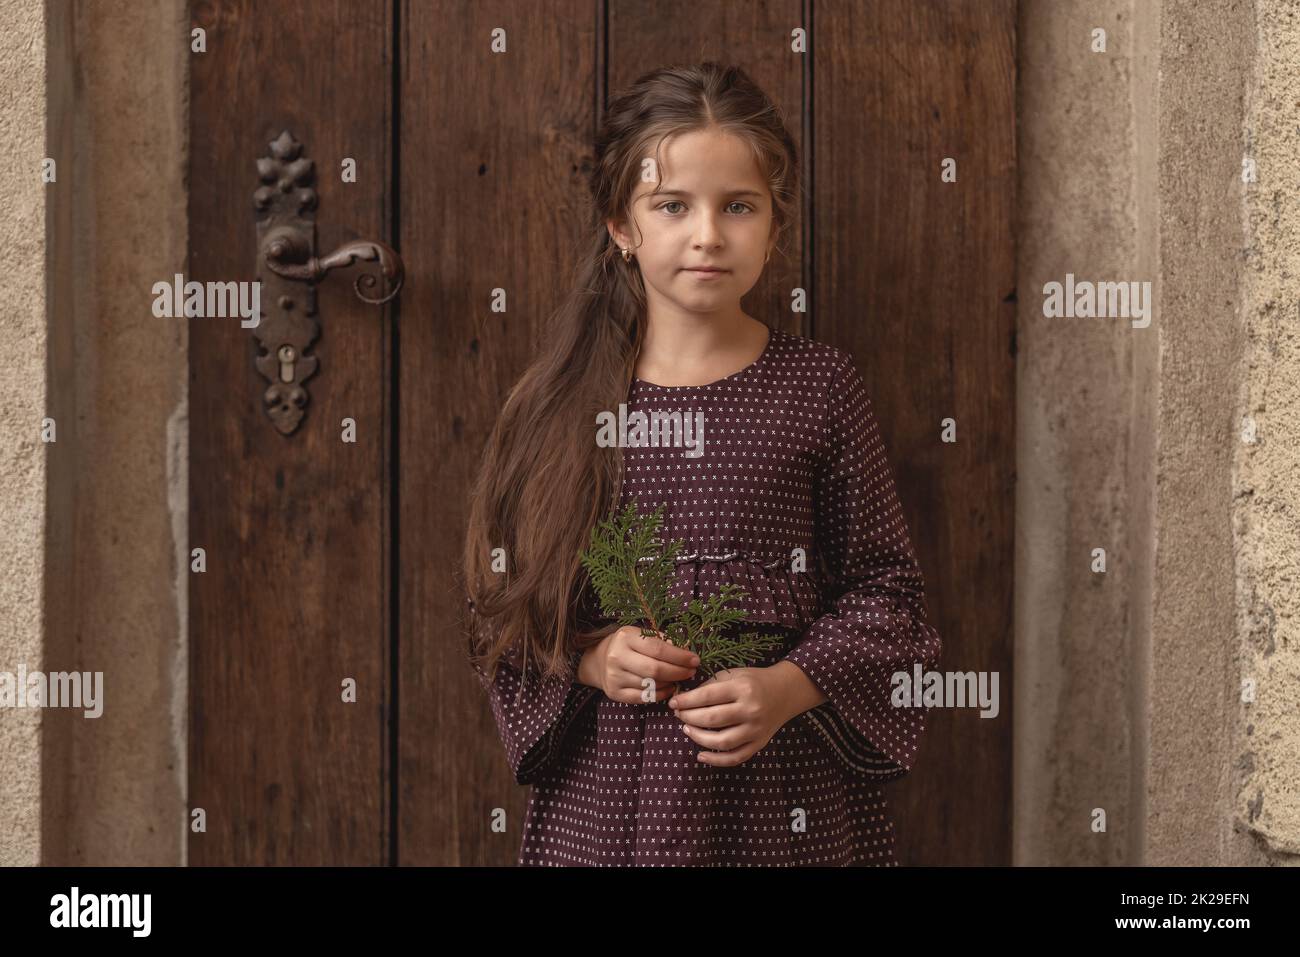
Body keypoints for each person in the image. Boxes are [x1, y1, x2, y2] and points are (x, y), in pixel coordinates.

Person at [461, 61, 942, 866]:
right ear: (622, 224)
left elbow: (889, 595)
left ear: (775, 227)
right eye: (673, 205)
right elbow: (495, 610)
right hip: (608, 804)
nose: (708, 234)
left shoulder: (820, 387)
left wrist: (787, 687)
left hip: (784, 797)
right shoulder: (558, 406)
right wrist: (589, 657)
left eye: (739, 206)